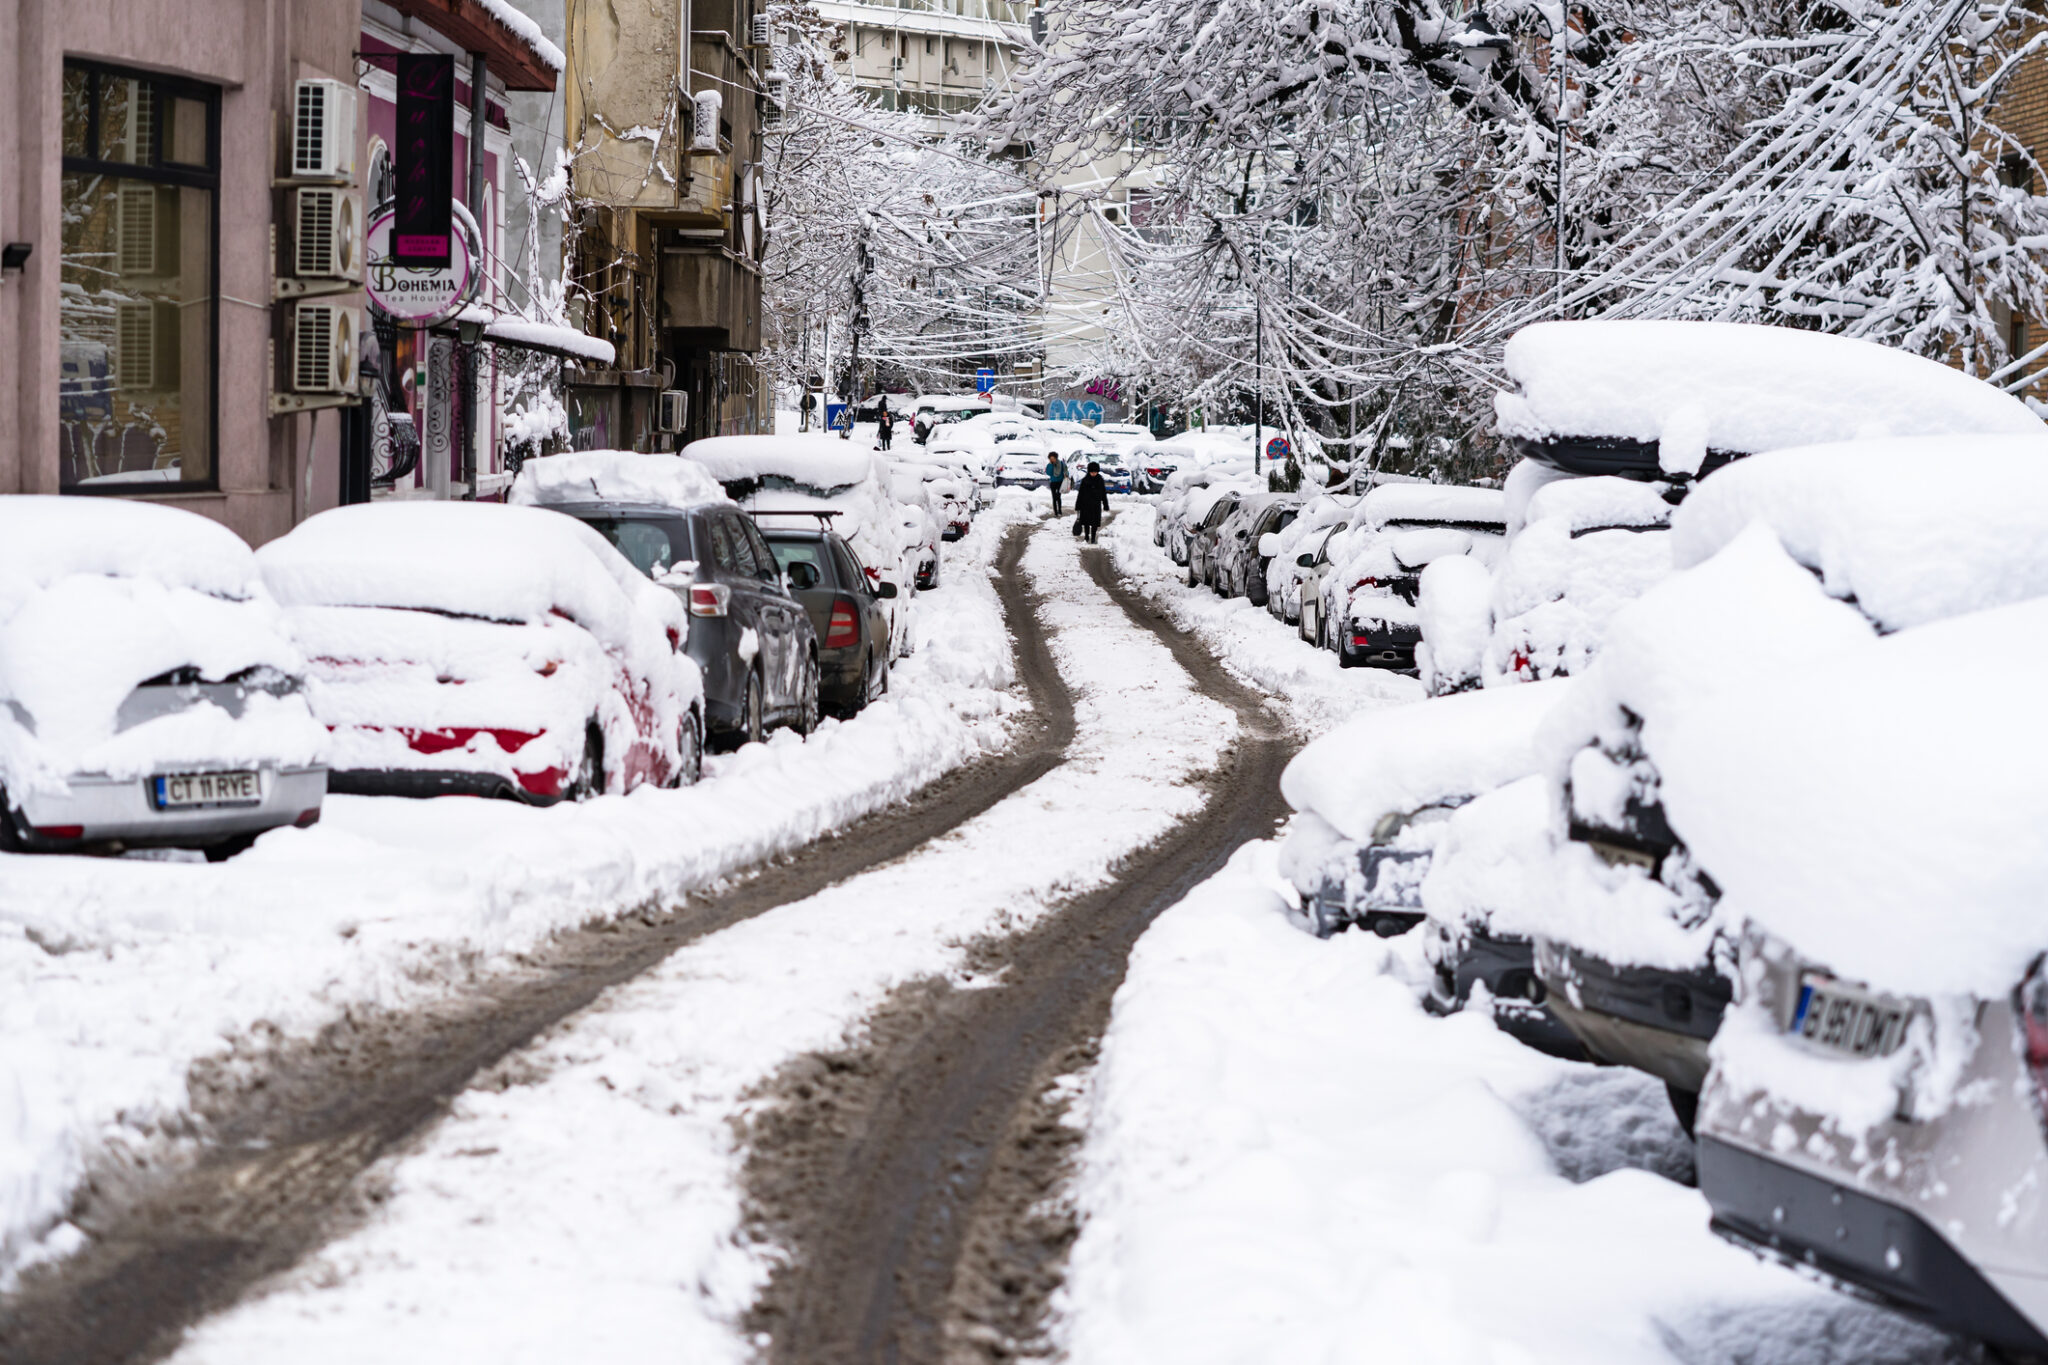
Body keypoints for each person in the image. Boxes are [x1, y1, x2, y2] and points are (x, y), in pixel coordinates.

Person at [1074, 460, 1109, 545]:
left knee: (1094, 523)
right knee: (1086, 522)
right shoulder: (1085, 480)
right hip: (1085, 505)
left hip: (1096, 505)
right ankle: (1086, 536)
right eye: (1092, 472)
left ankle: (1093, 538)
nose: (1093, 473)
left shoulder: (1100, 480)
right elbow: (1080, 494)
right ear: (1089, 471)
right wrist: (1078, 505)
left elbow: (1103, 493)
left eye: (1095, 472)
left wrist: (1105, 504)